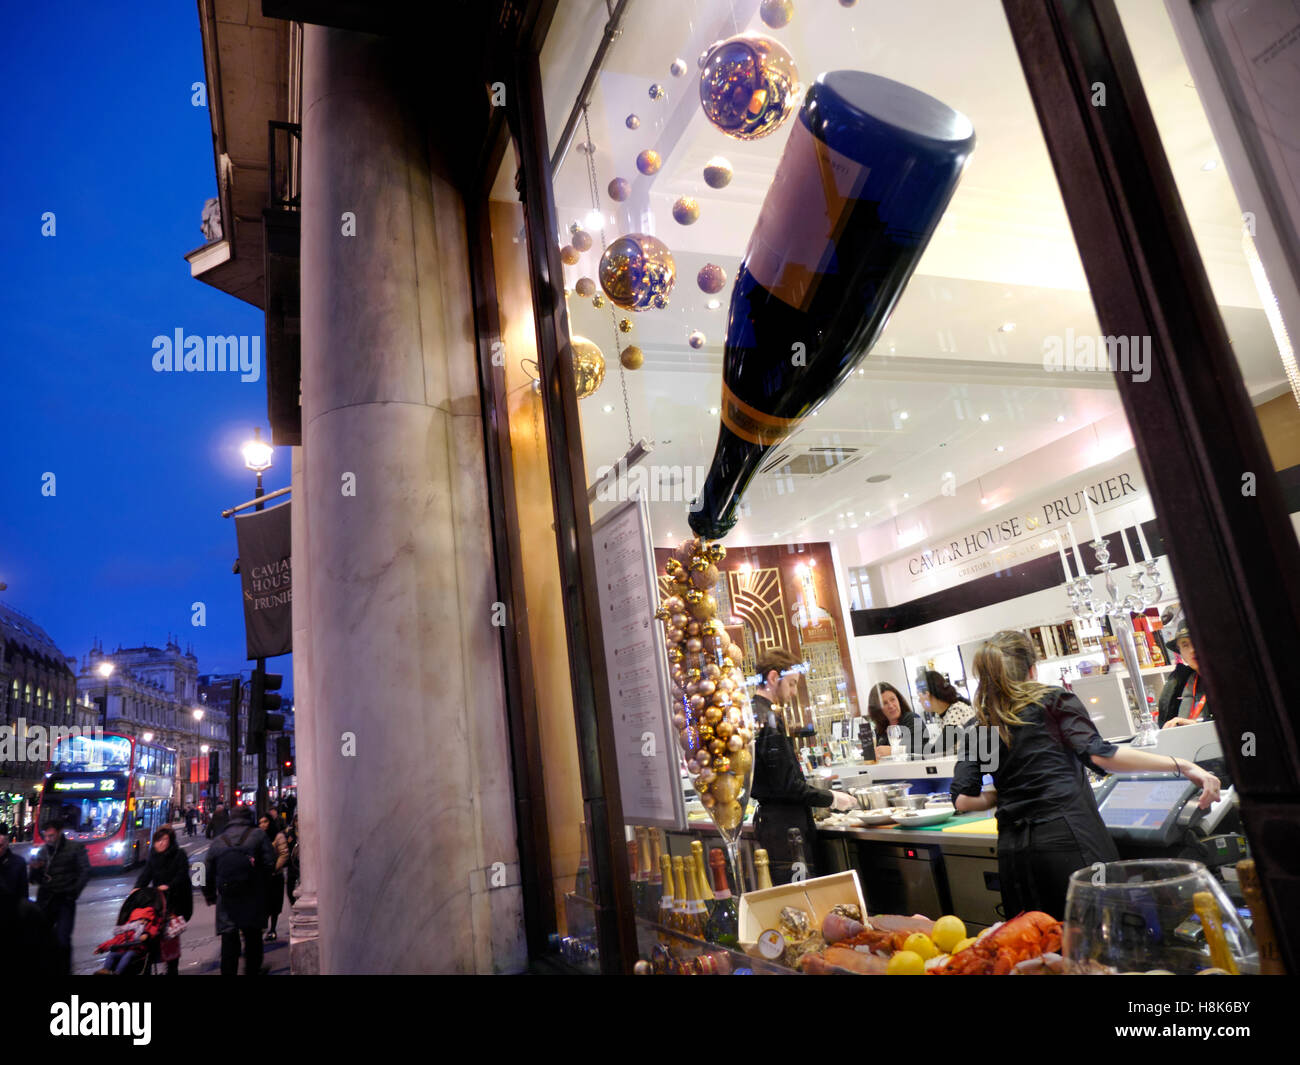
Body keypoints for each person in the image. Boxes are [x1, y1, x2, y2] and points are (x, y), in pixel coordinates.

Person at [951, 630, 1221, 919]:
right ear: (1032, 668)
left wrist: (1005, 793)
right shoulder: (1052, 701)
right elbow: (1101, 756)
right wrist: (1183, 765)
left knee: (1036, 948)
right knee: (1094, 941)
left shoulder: (981, 723)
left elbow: (964, 800)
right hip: (1068, 842)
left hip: (1014, 855)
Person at [750, 648, 855, 885]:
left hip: (771, 822)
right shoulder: (769, 719)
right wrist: (833, 798)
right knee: (799, 896)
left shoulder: (753, 713)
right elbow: (789, 786)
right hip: (785, 828)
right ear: (774, 678)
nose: (795, 692)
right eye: (792, 684)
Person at [204, 805, 274, 975]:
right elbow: (269, 863)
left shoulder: (219, 840)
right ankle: (252, 970)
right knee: (253, 939)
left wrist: (210, 895)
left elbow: (203, 871)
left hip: (227, 899)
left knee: (229, 942)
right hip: (252, 896)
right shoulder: (258, 835)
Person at [28, 819, 91, 975]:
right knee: (42, 937)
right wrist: (35, 869)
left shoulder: (74, 848)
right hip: (46, 900)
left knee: (63, 939)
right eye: (46, 836)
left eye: (51, 835)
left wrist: (73, 892)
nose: (48, 839)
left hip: (64, 899)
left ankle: (64, 970)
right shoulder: (43, 851)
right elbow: (34, 879)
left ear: (59, 832)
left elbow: (85, 871)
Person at [134, 826, 192, 975]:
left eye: (165, 840)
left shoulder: (179, 855)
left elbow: (182, 875)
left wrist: (169, 886)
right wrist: (137, 888)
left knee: (171, 937)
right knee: (152, 936)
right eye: (159, 840)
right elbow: (146, 874)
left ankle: (172, 969)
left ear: (171, 841)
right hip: (159, 902)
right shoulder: (153, 856)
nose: (162, 843)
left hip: (176, 902)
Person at [1158, 627, 1211, 728]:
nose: (1192, 650)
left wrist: (1196, 724)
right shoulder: (1182, 683)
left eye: (1196, 641)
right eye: (1185, 645)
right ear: (1180, 653)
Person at [919, 670, 976, 755]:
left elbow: (941, 747)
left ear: (927, 694)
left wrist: (903, 749)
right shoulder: (941, 715)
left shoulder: (957, 710)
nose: (919, 701)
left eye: (919, 696)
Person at [867, 681, 925, 759]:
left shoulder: (912, 719)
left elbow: (922, 748)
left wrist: (892, 750)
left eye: (893, 699)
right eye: (884, 703)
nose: (891, 705)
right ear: (878, 710)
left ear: (899, 700)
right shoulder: (879, 731)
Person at [258, 813, 289, 941]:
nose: (262, 825)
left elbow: (283, 854)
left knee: (274, 904)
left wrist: (274, 869)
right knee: (263, 904)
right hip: (263, 876)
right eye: (260, 822)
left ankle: (273, 929)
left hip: (275, 875)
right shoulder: (258, 837)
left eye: (265, 821)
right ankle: (263, 927)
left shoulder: (278, 836)